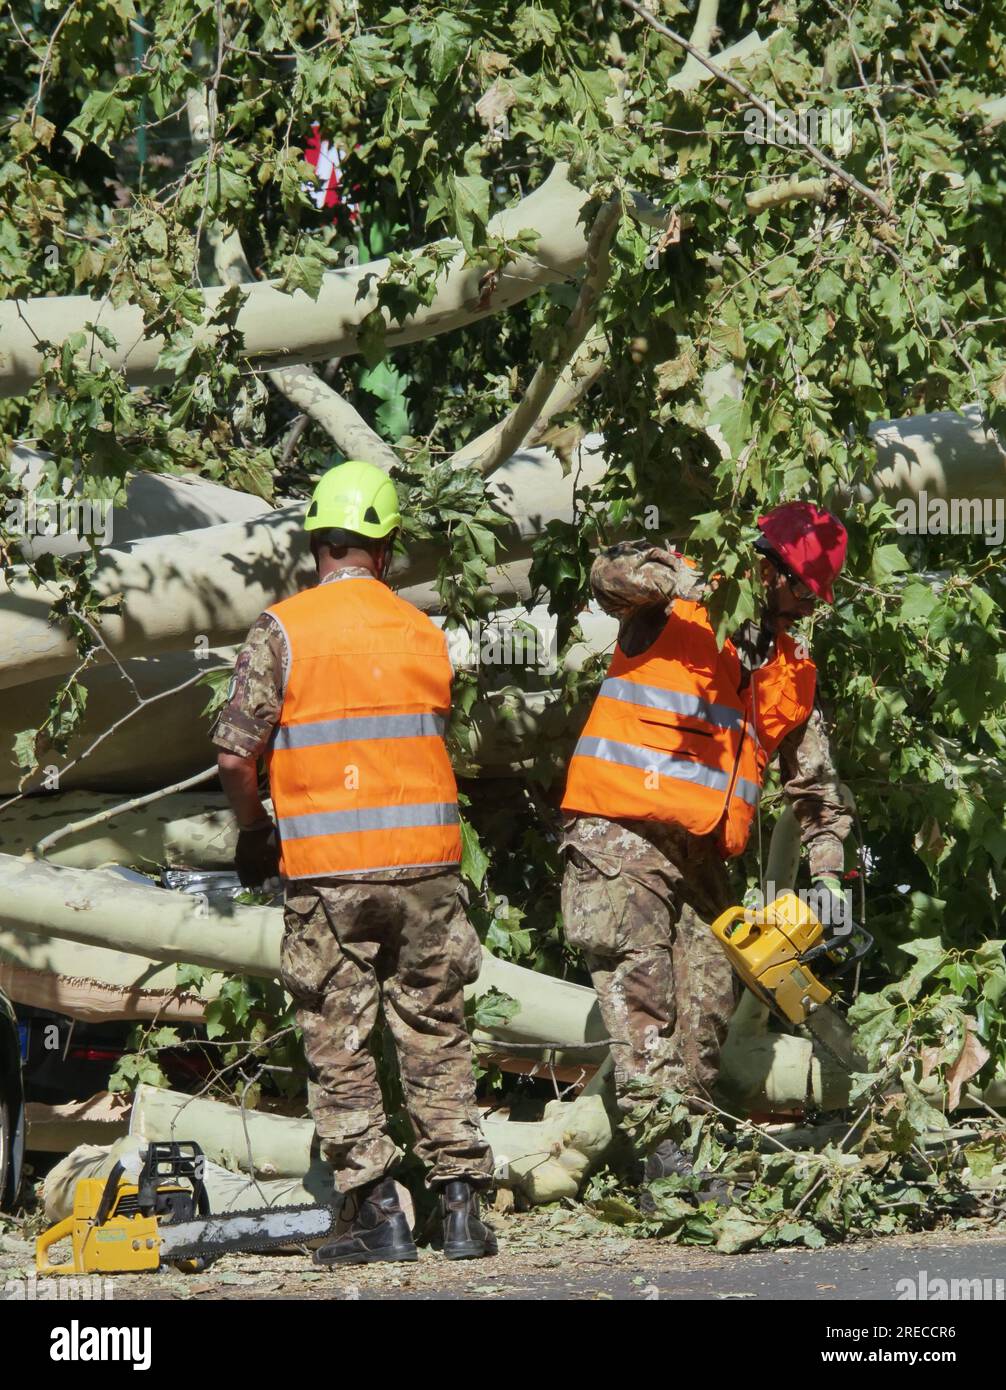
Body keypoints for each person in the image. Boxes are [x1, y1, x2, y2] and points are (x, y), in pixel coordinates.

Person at [213, 460, 496, 1265]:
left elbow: (234, 755)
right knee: (435, 1026)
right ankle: (461, 1209)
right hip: (428, 868)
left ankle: (376, 1209)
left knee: (339, 1037)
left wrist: (254, 832)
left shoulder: (284, 629)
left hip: (331, 871)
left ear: (316, 544)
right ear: (386, 546)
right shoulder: (422, 630)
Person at [559, 502, 853, 1195]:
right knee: (644, 996)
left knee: (707, 1006)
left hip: (702, 859)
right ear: (769, 569)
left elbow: (816, 787)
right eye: (802, 588)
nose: (808, 605)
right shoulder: (677, 605)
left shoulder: (791, 668)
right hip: (621, 836)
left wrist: (829, 875)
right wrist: (686, 580)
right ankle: (666, 1159)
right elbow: (608, 572)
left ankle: (686, 1155)